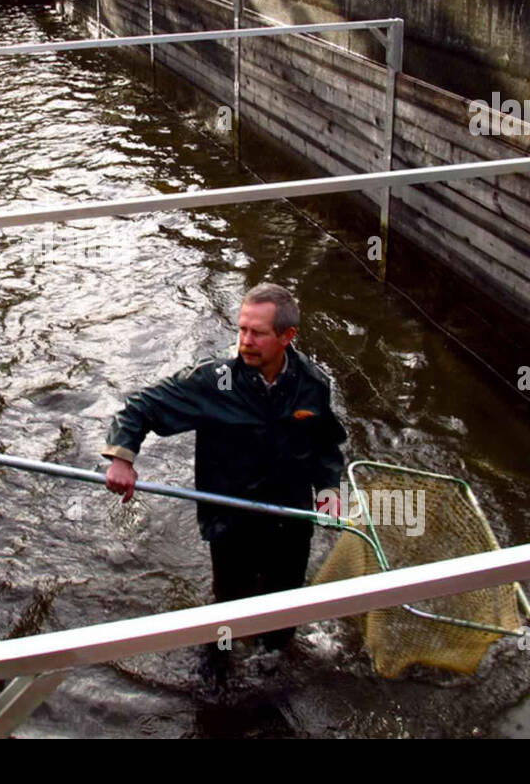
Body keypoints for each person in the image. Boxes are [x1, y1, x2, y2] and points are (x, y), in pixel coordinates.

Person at [101, 282, 347, 665]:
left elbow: (326, 446)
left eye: (258, 333)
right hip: (231, 519)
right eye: (242, 329)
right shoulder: (214, 381)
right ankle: (217, 671)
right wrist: (122, 458)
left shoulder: (312, 385)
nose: (245, 340)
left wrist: (330, 489)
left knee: (285, 609)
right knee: (228, 614)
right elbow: (141, 407)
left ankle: (272, 664)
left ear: (287, 336)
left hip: (291, 519)